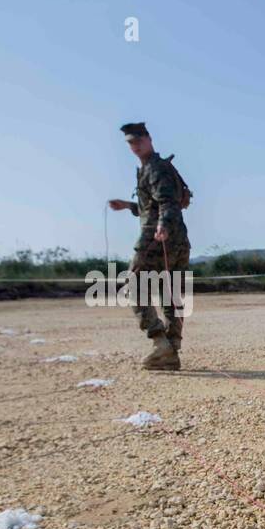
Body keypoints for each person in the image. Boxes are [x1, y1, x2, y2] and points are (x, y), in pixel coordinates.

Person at [107, 122, 192, 370]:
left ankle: (160, 343)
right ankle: (171, 348)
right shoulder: (160, 167)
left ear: (149, 139)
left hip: (155, 239)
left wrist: (162, 225)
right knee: (171, 292)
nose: (135, 146)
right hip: (178, 239)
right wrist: (128, 205)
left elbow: (167, 202)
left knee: (134, 285)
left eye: (138, 141)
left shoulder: (155, 168)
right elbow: (154, 205)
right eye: (131, 143)